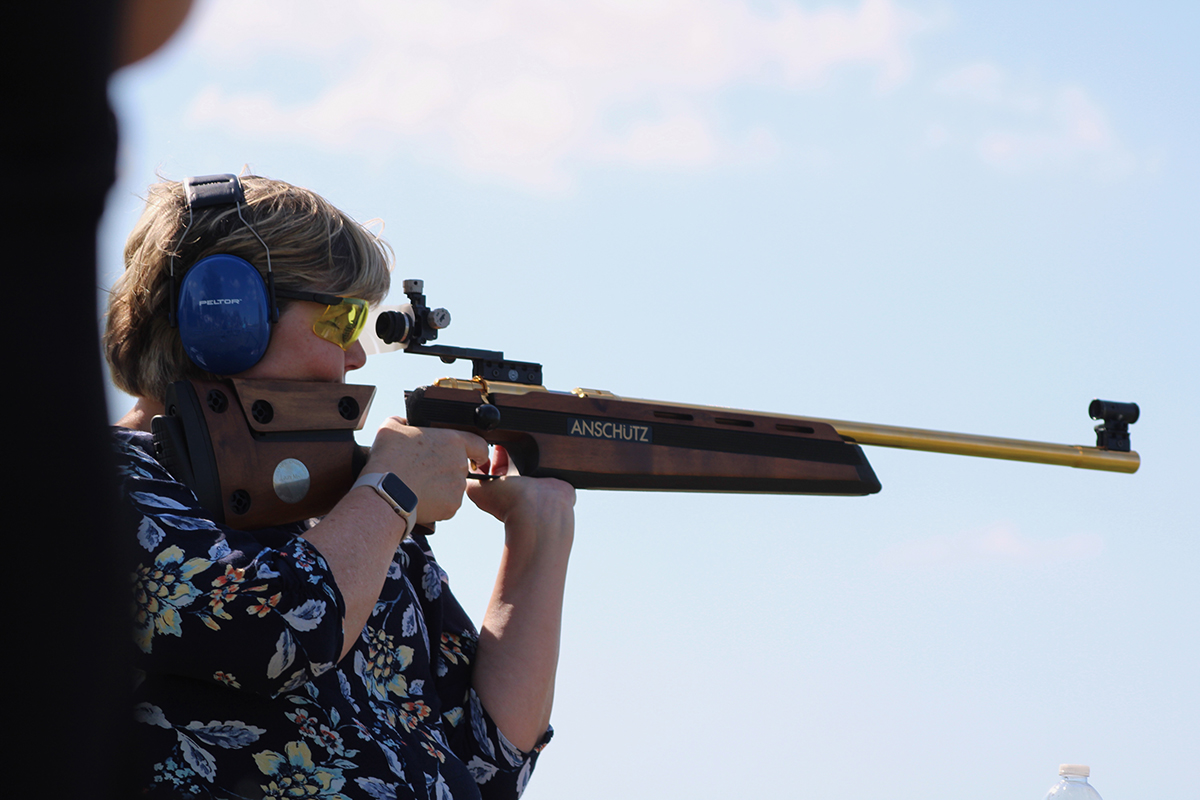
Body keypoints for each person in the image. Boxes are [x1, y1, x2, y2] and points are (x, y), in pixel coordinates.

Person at [104, 174, 575, 799]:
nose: (354, 356)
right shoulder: (88, 484)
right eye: (340, 320)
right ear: (226, 313)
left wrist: (539, 536)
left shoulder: (345, 513)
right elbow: (274, 632)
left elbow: (488, 761)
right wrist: (390, 493)